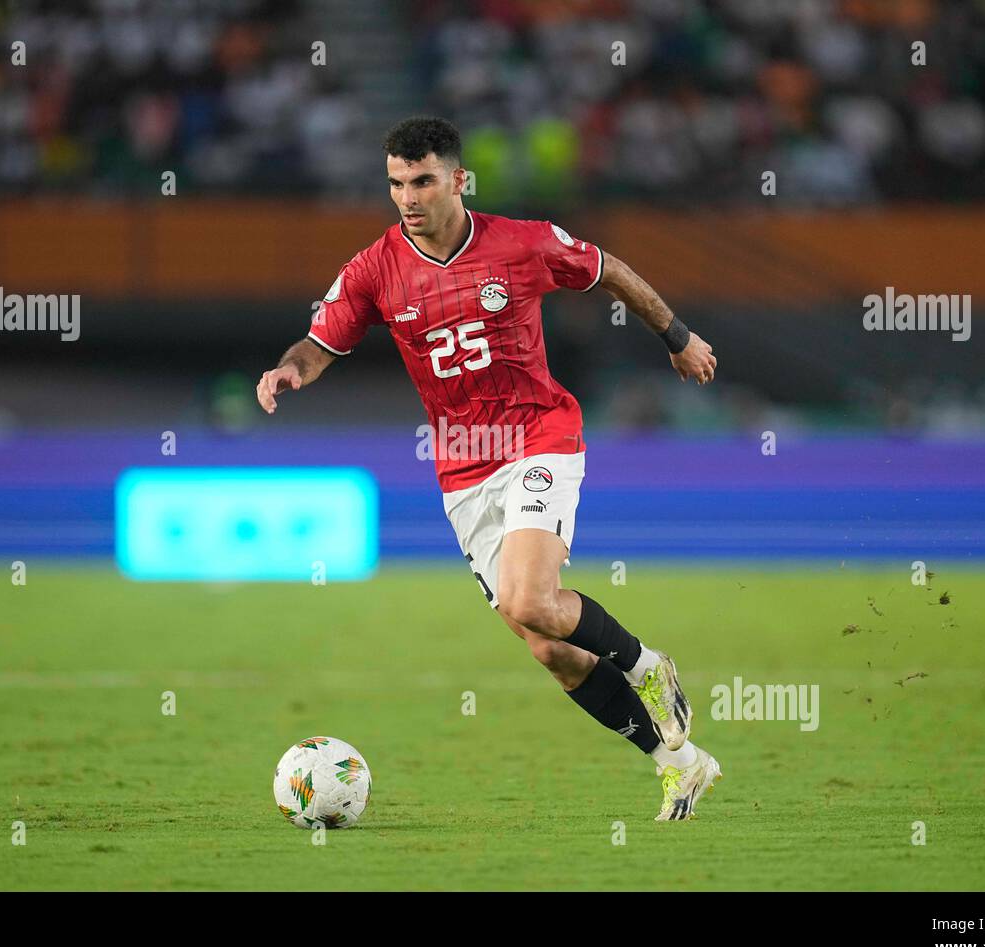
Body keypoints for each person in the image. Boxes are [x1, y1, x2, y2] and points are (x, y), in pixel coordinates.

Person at [257, 116, 721, 820]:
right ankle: (681, 763)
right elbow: (319, 343)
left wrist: (677, 337)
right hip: (464, 473)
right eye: (395, 184)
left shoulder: (522, 242)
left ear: (457, 180)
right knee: (546, 648)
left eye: (422, 181)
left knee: (532, 600)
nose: (407, 198)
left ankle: (647, 665)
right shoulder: (374, 269)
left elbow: (608, 271)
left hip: (539, 435)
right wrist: (289, 371)